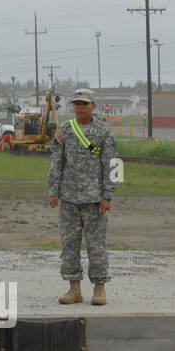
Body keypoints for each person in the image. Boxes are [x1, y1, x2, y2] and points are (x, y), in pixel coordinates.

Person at [48, 87, 118, 306]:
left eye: (84, 104)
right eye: (77, 104)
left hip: (95, 200)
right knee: (69, 244)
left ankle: (99, 288)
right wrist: (54, 190)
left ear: (93, 106)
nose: (80, 108)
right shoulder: (65, 130)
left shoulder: (103, 132)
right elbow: (56, 161)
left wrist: (108, 195)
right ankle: (74, 289)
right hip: (69, 198)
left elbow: (113, 165)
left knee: (96, 245)